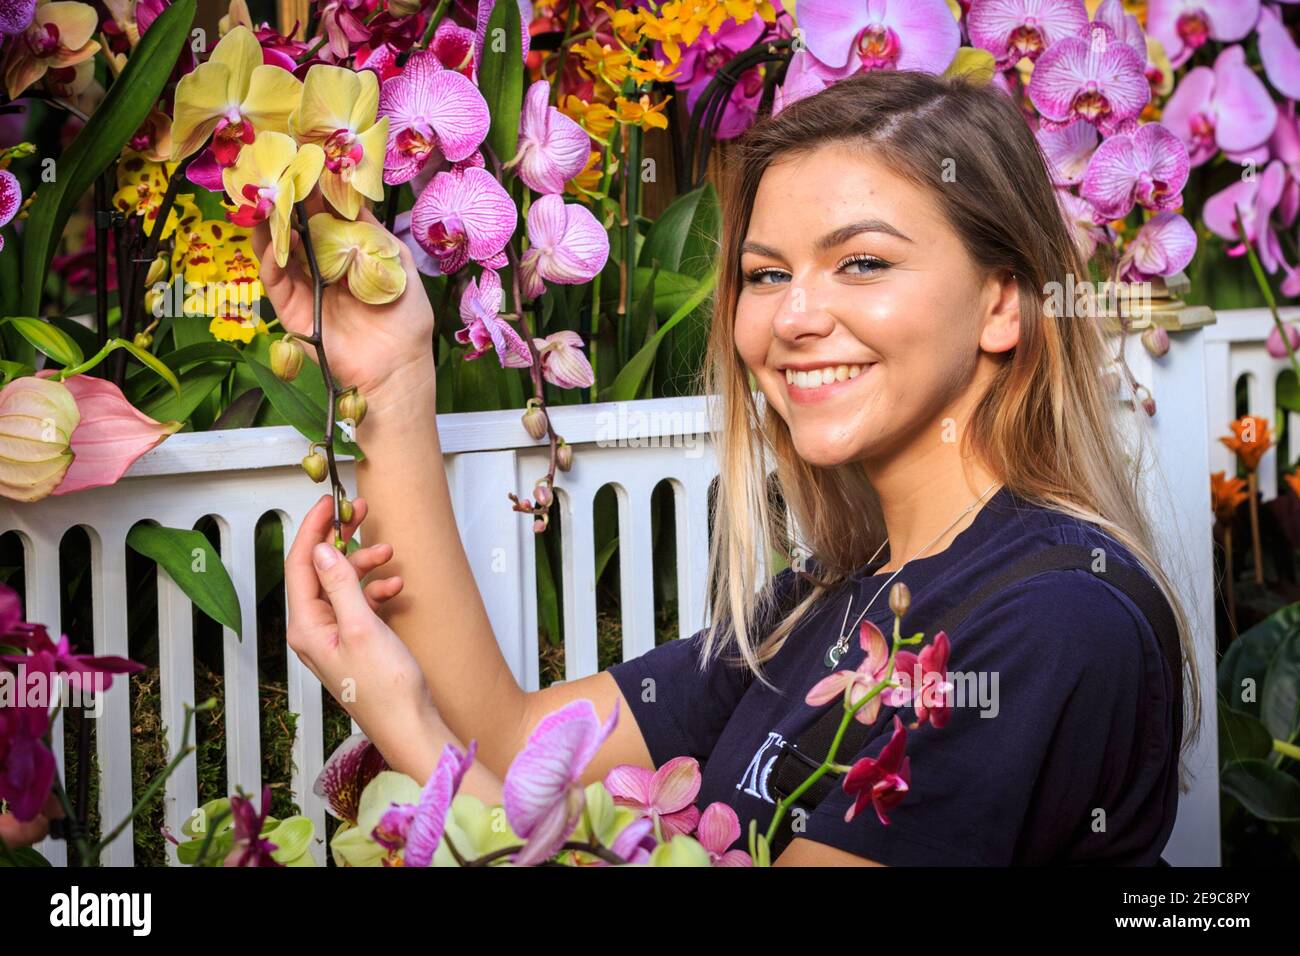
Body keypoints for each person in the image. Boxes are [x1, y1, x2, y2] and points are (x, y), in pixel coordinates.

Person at [267, 69, 1202, 866]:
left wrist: (401, 721)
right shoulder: (822, 606)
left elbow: (461, 759)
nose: (793, 317)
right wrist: (392, 381)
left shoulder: (1050, 620)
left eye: (863, 263)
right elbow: (509, 750)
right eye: (765, 274)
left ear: (1004, 304)